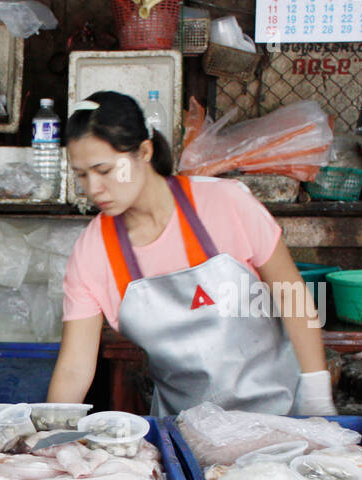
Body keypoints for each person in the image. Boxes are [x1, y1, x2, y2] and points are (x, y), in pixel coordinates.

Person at [46, 90, 336, 417]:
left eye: (105, 170)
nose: (93, 188)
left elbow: (292, 296)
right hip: (184, 432)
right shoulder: (92, 252)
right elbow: (74, 367)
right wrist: (49, 430)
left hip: (280, 416)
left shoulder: (225, 204)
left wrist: (316, 393)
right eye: (82, 175)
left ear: (144, 151)